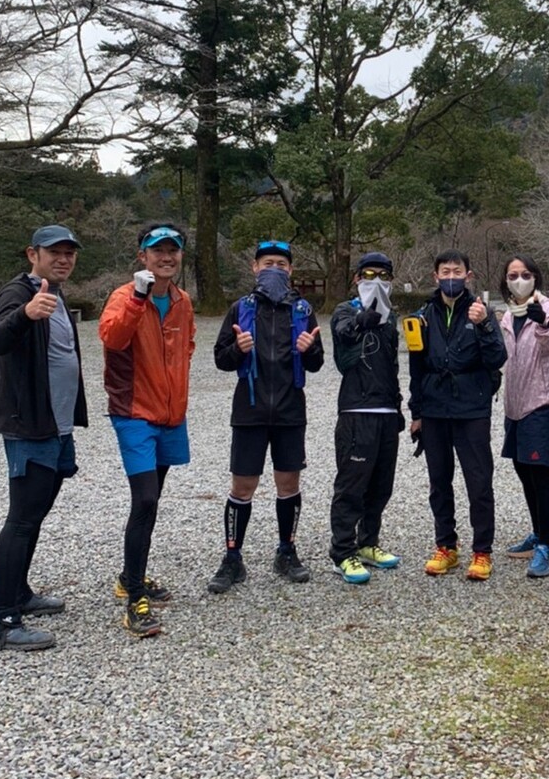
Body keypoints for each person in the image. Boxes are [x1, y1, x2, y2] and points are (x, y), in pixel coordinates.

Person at [0, 225, 88, 651]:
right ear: (32, 254)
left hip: (55, 426)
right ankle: (2, 621)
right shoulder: (18, 293)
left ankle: (20, 593)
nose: (63, 259)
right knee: (21, 518)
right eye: (54, 252)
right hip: (30, 426)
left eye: (69, 253)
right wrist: (25, 314)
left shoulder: (55, 295)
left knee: (35, 513)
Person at [209, 239, 324, 594]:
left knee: (288, 484)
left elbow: (317, 364)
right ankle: (232, 557)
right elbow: (220, 359)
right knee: (243, 486)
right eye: (267, 263)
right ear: (254, 267)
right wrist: (236, 348)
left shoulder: (302, 310)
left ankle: (286, 551)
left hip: (290, 410)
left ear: (290, 271)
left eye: (281, 264)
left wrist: (310, 350)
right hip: (250, 410)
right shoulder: (239, 308)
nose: (274, 269)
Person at [99, 223, 196, 638]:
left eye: (172, 251)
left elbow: (187, 345)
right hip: (134, 413)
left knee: (152, 499)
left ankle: (129, 575)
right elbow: (113, 337)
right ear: (142, 256)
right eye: (157, 251)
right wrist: (138, 298)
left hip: (171, 415)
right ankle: (134, 595)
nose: (166, 257)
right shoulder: (124, 297)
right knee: (146, 500)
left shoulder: (182, 301)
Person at [408, 249, 507, 582]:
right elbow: (416, 367)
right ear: (435, 277)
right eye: (445, 271)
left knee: (478, 480)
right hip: (435, 408)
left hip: (472, 407)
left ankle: (482, 550)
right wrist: (416, 411)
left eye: (457, 270)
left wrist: (483, 327)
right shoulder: (423, 315)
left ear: (469, 275)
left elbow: (497, 358)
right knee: (439, 481)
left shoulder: (482, 311)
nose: (451, 276)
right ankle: (446, 545)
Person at [327, 251, 403, 585]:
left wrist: (399, 406)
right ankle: (343, 551)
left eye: (383, 275)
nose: (376, 281)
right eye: (368, 274)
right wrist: (361, 321)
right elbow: (342, 337)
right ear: (357, 278)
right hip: (357, 410)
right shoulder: (346, 309)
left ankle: (368, 541)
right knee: (351, 484)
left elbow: (394, 365)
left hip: (386, 410)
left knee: (380, 485)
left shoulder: (392, 316)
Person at [498, 255, 549, 580]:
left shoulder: (547, 309)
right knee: (523, 470)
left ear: (536, 276)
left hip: (543, 403)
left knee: (540, 473)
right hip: (515, 406)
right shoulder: (508, 315)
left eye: (525, 274)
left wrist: (542, 324)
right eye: (513, 275)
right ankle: (537, 533)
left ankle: (547, 547)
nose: (519, 279)